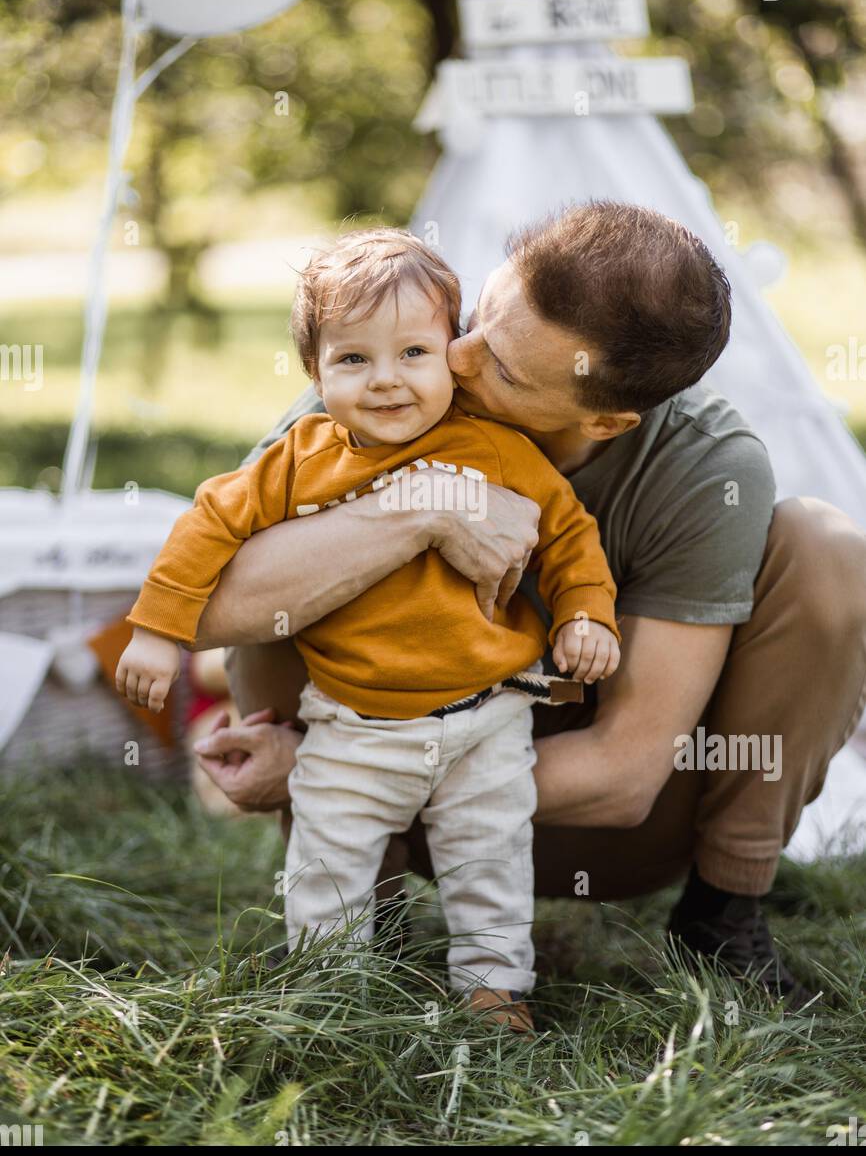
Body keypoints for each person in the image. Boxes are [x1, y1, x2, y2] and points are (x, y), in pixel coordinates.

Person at [190, 201, 866, 1012]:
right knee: (298, 548)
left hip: (593, 825)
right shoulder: (393, 385)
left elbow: (625, 774)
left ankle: (724, 914)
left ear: (607, 420)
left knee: (828, 547)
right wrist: (418, 512)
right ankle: (365, 910)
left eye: (505, 370)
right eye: (478, 317)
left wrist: (326, 772)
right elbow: (203, 607)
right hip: (381, 814)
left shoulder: (703, 467)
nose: (460, 358)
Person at [116, 228, 620, 1032]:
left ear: (451, 354)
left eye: (414, 353)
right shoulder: (298, 459)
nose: (387, 382)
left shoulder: (496, 449)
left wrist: (586, 612)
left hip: (484, 717)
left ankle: (494, 990)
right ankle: (329, 992)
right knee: (327, 864)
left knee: (488, 857)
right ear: (315, 372)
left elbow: (568, 536)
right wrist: (156, 631)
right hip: (353, 720)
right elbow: (208, 526)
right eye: (353, 361)